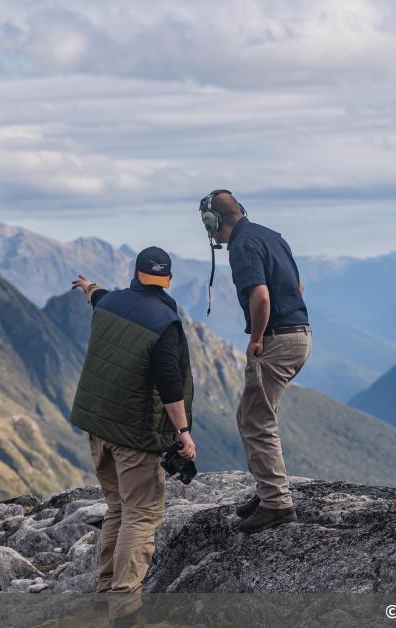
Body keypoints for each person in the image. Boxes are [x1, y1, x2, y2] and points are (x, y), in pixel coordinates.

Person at [69, 246, 196, 614]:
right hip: (133, 436)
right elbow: (170, 384)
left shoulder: (111, 303)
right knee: (140, 515)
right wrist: (183, 432)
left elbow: (99, 297)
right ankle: (123, 608)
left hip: (98, 429)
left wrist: (88, 286)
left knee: (117, 508)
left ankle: (104, 594)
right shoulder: (164, 322)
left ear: (136, 274)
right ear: (167, 280)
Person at [198, 190, 311, 534]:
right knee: (250, 415)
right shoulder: (270, 236)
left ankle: (277, 504)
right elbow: (298, 285)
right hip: (299, 334)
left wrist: (257, 338)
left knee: (258, 422)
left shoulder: (243, 247)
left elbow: (260, 296)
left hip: (276, 340)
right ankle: (267, 493)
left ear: (213, 221)